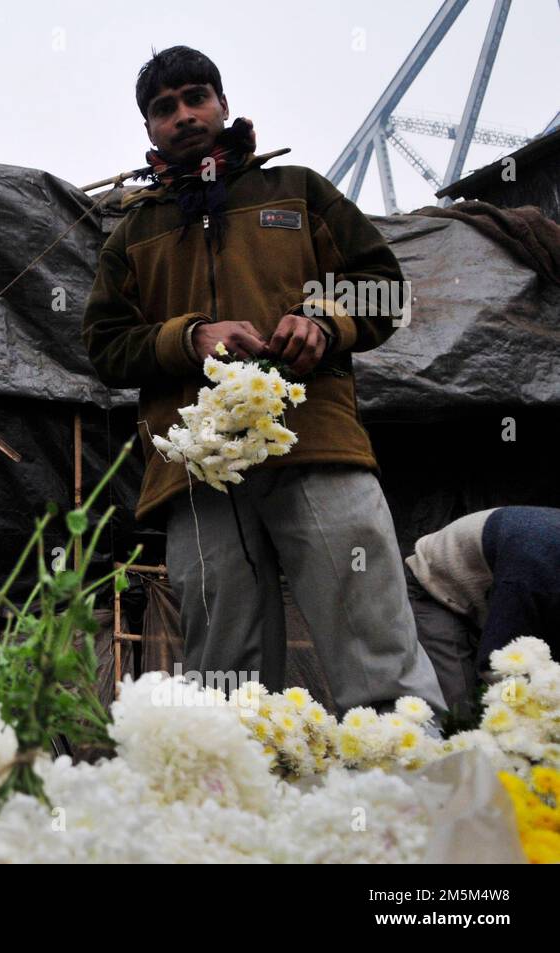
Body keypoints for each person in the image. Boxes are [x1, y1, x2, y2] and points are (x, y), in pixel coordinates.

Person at [81, 46, 446, 718]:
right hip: (199, 473)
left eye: (196, 98)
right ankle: (248, 802)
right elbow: (103, 346)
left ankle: (408, 787)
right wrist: (189, 337)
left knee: (373, 639)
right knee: (227, 680)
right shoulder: (133, 231)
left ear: (222, 104)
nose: (184, 116)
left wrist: (324, 322)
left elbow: (384, 289)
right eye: (165, 109)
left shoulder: (298, 191)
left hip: (314, 446)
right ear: (149, 130)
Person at [406, 506, 560, 718]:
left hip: (495, 583)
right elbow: (497, 663)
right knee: (461, 715)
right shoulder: (530, 571)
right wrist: (524, 724)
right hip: (436, 588)